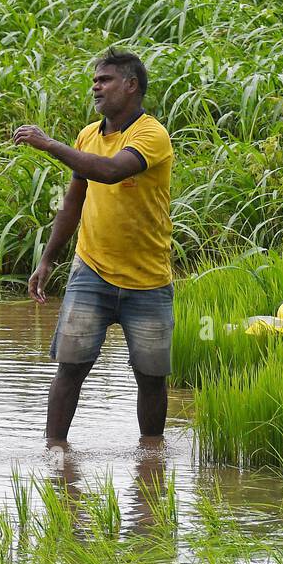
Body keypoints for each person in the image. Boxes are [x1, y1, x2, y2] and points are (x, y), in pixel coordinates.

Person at [14, 48, 175, 447]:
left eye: (105, 80)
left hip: (148, 278)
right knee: (70, 368)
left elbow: (110, 171)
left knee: (151, 376)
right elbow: (74, 201)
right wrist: (48, 259)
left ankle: (151, 458)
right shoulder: (88, 135)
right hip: (92, 272)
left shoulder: (150, 134)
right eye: (95, 80)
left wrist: (49, 144)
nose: (96, 87)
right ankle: (55, 456)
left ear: (131, 85)